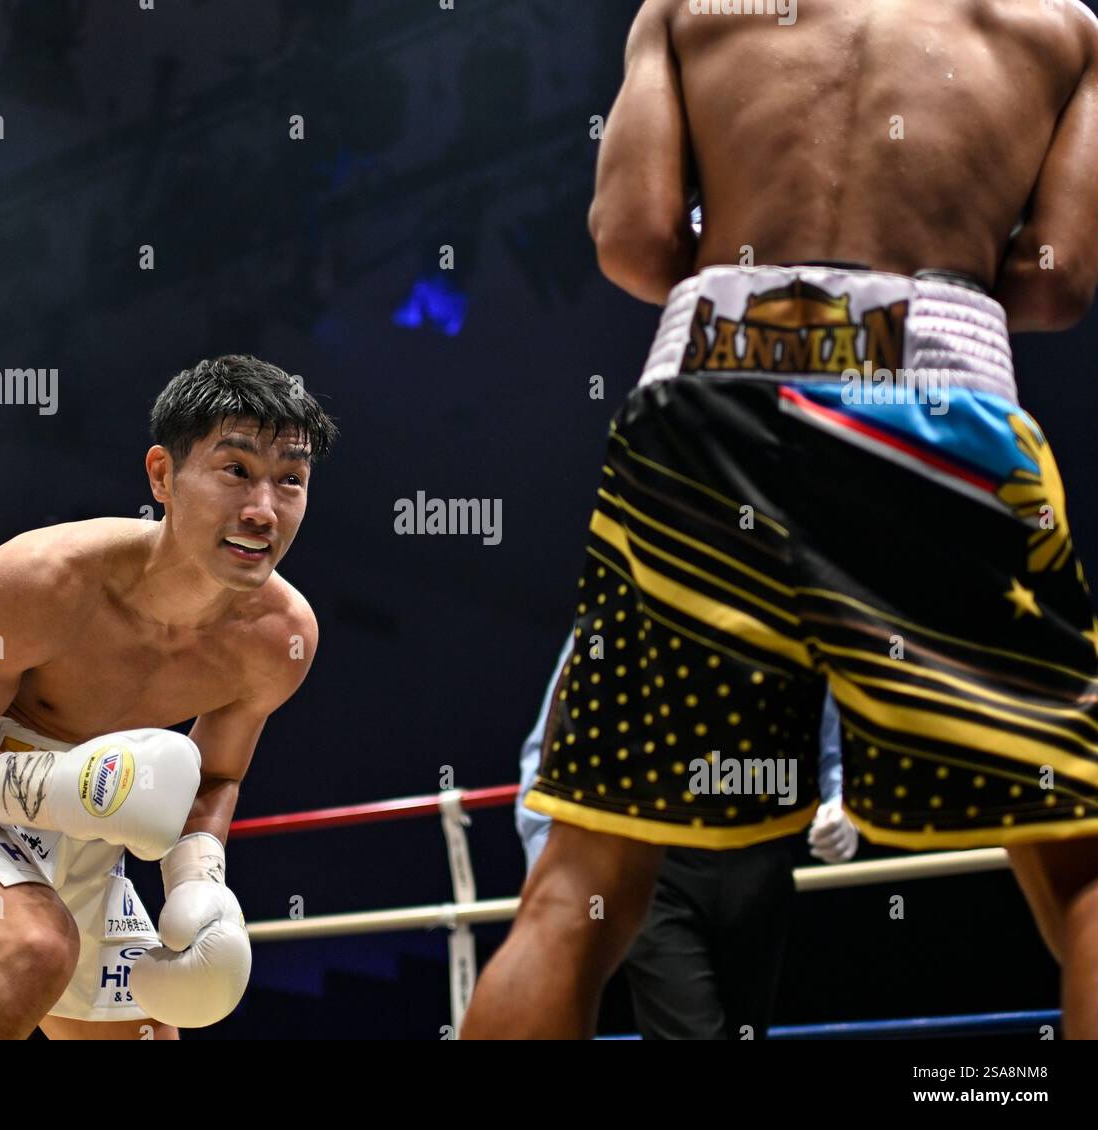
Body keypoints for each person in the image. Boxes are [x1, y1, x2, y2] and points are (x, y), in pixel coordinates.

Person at [463, 0, 1098, 1039]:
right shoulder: (1056, 29)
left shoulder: (687, 11)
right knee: (1079, 866)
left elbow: (630, 240)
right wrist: (900, 301)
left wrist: (769, 298)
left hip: (706, 400)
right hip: (937, 405)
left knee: (575, 887)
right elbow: (1059, 278)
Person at [0, 354, 338, 1039]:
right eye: (236, 471)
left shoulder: (280, 638)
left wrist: (198, 879)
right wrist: (58, 785)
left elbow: (218, 773)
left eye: (290, 480)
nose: (263, 510)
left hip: (87, 830)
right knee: (31, 950)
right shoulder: (42, 579)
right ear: (163, 476)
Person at [517, 635, 855, 1038]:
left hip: (760, 863)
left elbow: (826, 743)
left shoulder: (786, 610)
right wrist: (552, 877)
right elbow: (553, 750)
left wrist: (840, 804)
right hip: (656, 865)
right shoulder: (622, 598)